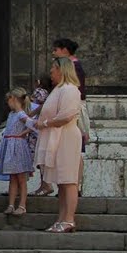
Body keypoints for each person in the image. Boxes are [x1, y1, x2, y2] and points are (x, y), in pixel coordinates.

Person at [35, 57, 85, 234]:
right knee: (62, 182)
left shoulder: (70, 89)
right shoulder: (58, 89)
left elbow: (66, 116)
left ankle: (69, 219)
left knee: (69, 180)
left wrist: (45, 123)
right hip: (58, 137)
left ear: (61, 70)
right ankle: (61, 218)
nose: (51, 72)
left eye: (53, 69)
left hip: (67, 137)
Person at [0, 88, 39, 217]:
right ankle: (11, 204)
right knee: (13, 178)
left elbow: (33, 125)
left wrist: (24, 132)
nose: (7, 103)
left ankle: (22, 205)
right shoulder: (12, 114)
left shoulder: (20, 114)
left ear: (13, 99)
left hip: (18, 148)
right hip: (10, 147)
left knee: (21, 178)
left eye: (8, 100)